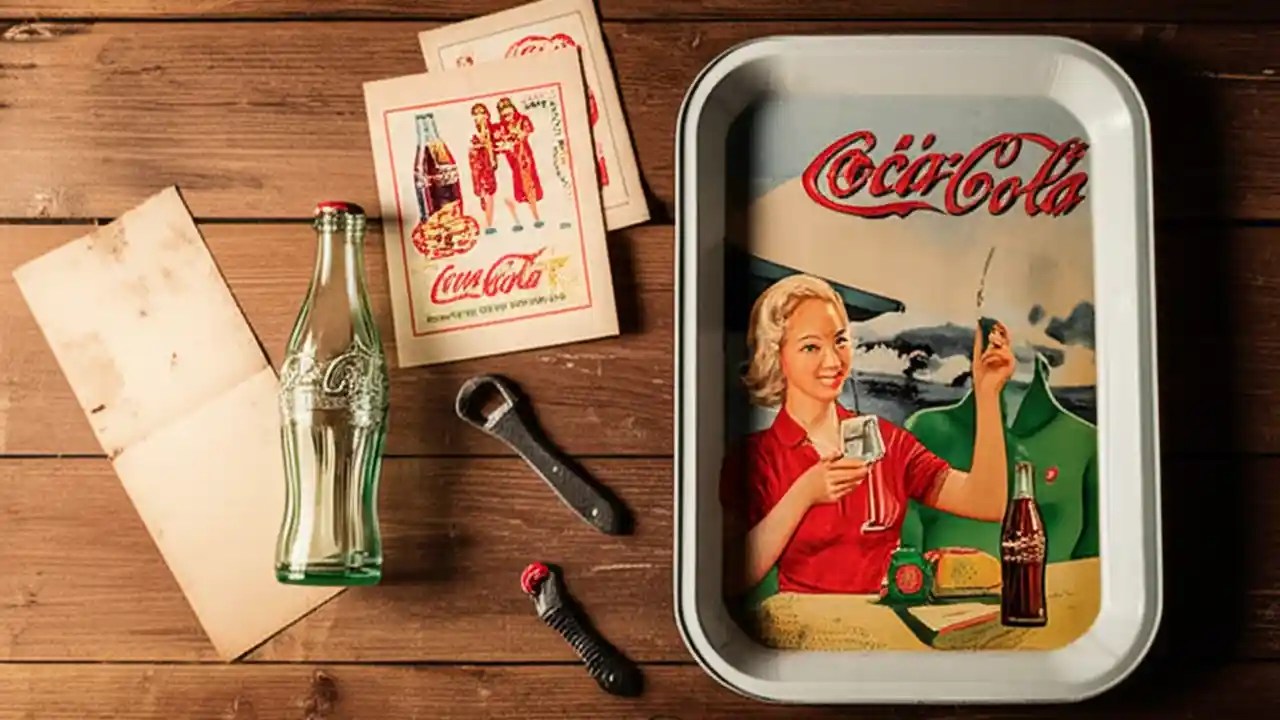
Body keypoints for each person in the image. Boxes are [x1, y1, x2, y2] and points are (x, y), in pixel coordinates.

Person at [719, 274, 1015, 599]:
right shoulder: (753, 457)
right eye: (811, 347)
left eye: (840, 341)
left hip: (887, 627)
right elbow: (733, 576)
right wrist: (804, 493)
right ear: (776, 356)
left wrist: (987, 394)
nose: (833, 361)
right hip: (805, 631)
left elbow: (989, 502)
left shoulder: (888, 442)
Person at [493, 96, 543, 231]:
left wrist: (514, 140)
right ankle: (521, 219)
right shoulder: (501, 126)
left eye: (508, 112)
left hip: (523, 156)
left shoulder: (522, 120)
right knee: (516, 185)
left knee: (529, 183)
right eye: (503, 113)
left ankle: (536, 216)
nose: (507, 116)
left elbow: (525, 132)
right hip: (511, 158)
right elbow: (498, 141)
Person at [467, 103, 499, 234]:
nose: (480, 118)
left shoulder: (489, 129)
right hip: (479, 163)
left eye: (482, 114)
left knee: (489, 193)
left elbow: (491, 145)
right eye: (477, 115)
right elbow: (474, 147)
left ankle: (490, 223)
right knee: (484, 193)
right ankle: (488, 223)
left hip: (487, 163)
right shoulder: (475, 131)